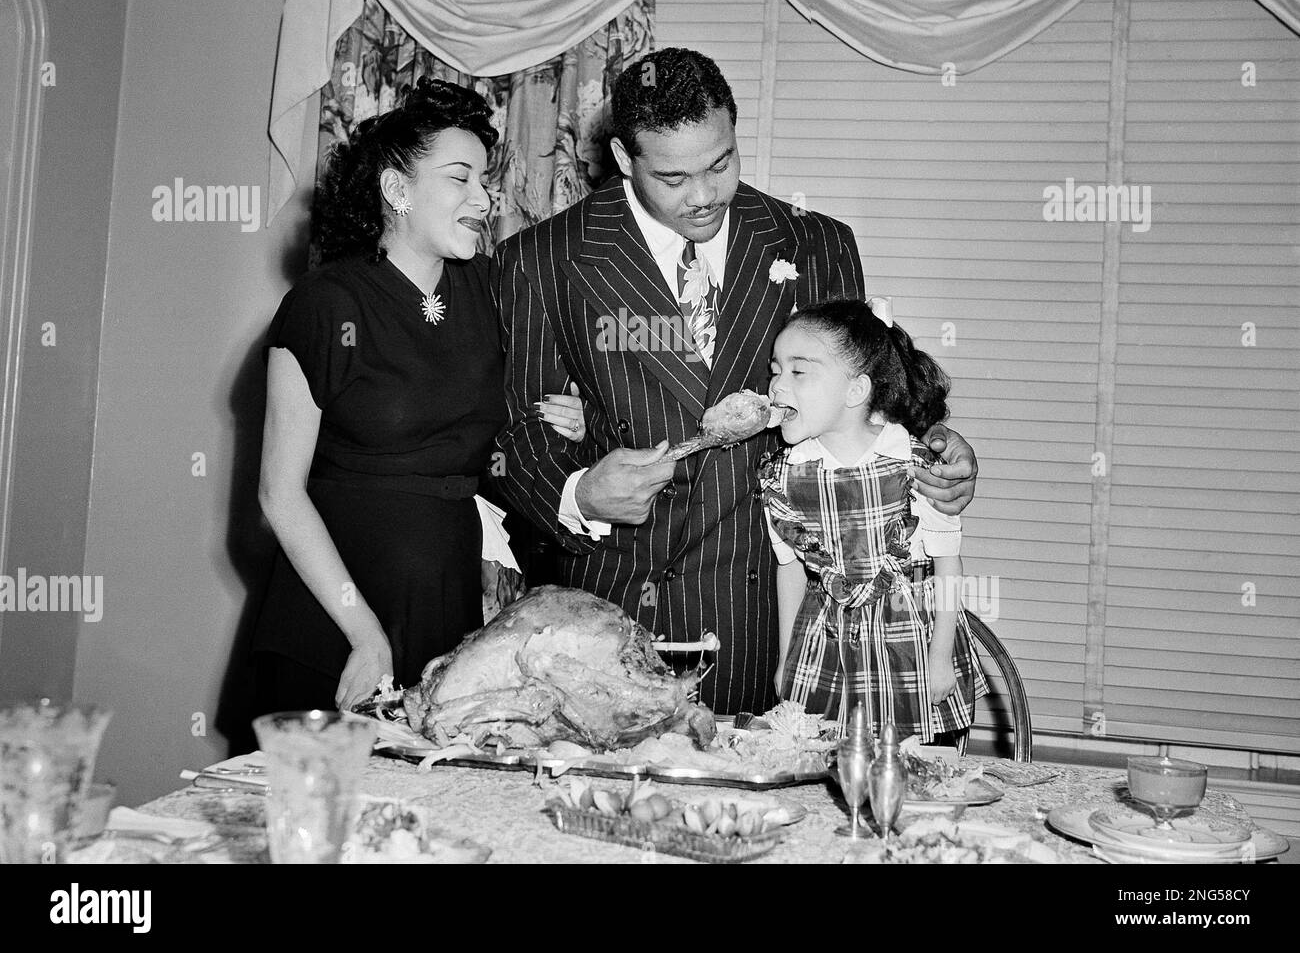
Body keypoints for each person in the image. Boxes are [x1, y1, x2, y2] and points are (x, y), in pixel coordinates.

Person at [492, 47, 979, 715]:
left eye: (720, 163)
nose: (703, 195)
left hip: (779, 623)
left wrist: (939, 450)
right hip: (615, 616)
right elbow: (515, 436)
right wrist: (581, 494)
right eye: (673, 177)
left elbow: (870, 395)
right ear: (625, 160)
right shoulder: (542, 258)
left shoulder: (816, 244)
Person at [251, 78, 581, 713]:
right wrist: (363, 632)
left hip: (443, 610)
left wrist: (563, 418)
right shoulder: (326, 305)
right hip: (336, 622)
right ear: (397, 189)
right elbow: (278, 494)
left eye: (484, 181)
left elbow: (486, 434)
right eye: (460, 179)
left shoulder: (487, 290)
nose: (484, 199)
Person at [760, 298, 988, 744]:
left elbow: (947, 566)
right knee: (825, 755)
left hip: (909, 642)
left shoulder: (913, 465)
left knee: (912, 765)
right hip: (825, 643)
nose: (776, 386)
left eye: (798, 371)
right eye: (775, 370)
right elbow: (788, 568)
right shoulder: (784, 475)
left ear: (856, 390)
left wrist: (940, 658)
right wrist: (787, 656)